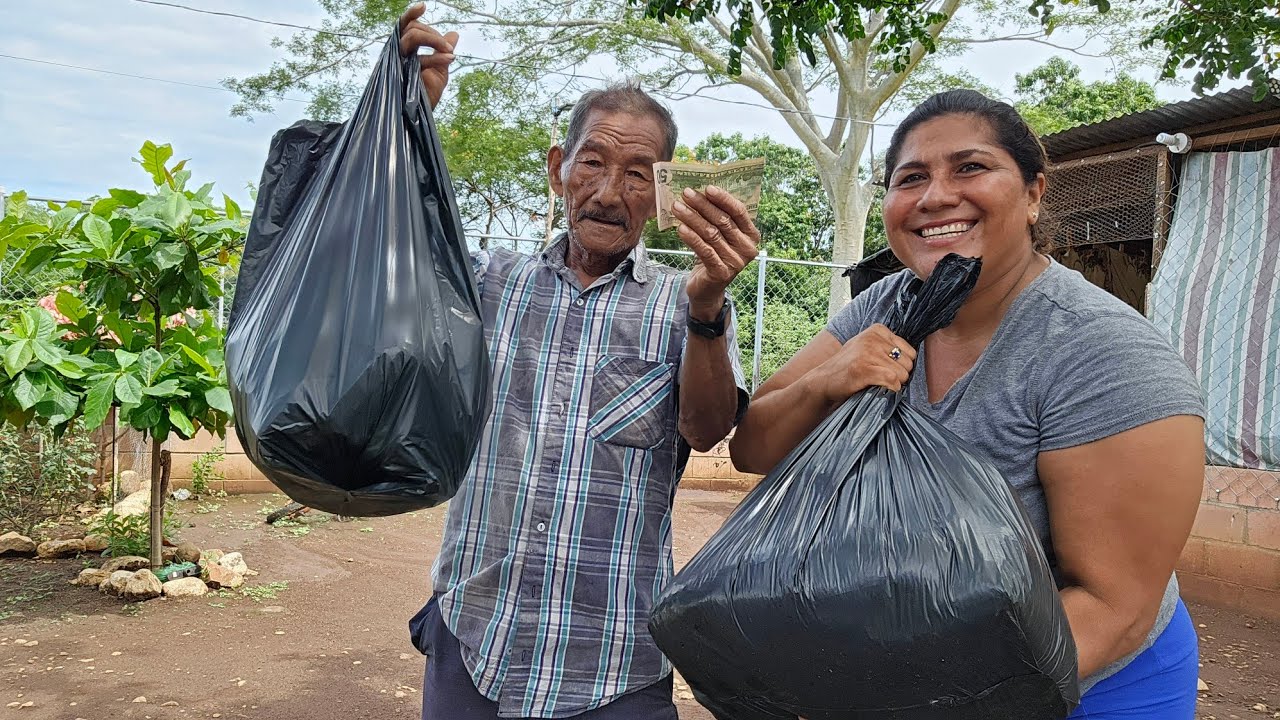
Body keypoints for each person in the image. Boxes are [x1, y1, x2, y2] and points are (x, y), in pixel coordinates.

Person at [728, 89, 1206, 719]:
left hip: (1087, 683)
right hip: (919, 654)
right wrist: (826, 380)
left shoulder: (1102, 356)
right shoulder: (888, 305)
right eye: (912, 178)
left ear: (1034, 193)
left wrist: (901, 698)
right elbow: (753, 448)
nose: (935, 197)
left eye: (970, 168)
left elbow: (1113, 609)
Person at [396, 5, 757, 718]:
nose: (608, 190)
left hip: (613, 663)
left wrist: (708, 307)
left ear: (660, 197)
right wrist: (404, 120)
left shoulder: (685, 306)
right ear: (561, 169)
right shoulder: (487, 283)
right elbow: (400, 234)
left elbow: (706, 430)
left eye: (636, 173)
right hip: (474, 639)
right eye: (592, 160)